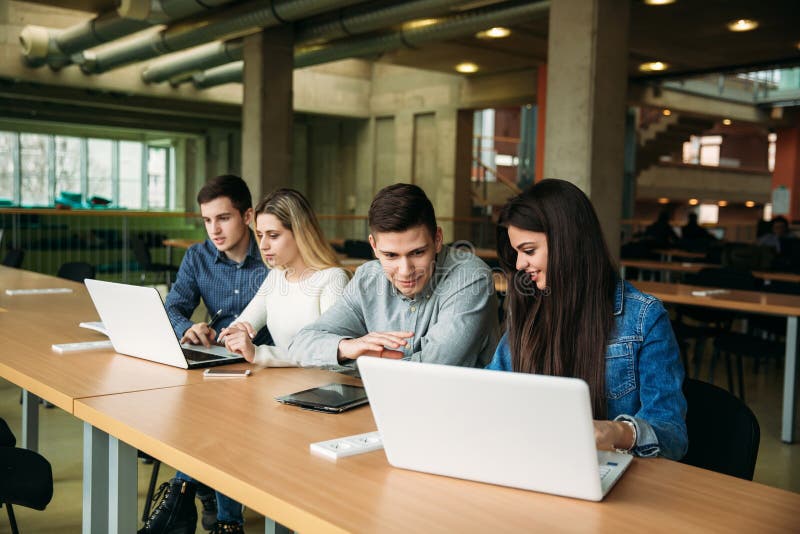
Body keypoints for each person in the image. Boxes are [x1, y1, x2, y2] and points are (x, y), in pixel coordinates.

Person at [487, 179, 687, 461]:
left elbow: (672, 437)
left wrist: (616, 432)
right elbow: (489, 391)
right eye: (516, 253)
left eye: (529, 251)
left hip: (614, 477)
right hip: (535, 464)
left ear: (569, 243)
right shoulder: (529, 309)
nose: (519, 265)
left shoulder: (644, 318)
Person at [141, 174, 269, 534]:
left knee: (219, 414)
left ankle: (188, 497)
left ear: (247, 216)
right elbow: (173, 307)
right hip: (215, 364)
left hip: (263, 364)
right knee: (196, 405)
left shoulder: (271, 257)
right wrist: (188, 328)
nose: (214, 229)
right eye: (207, 220)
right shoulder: (198, 256)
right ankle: (221, 516)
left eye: (223, 218)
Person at [289, 183, 499, 368]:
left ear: (437, 239)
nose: (405, 270)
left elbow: (434, 368)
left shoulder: (471, 277)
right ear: (374, 246)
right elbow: (301, 344)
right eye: (390, 255)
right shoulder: (367, 278)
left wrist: (360, 360)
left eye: (417, 253)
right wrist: (348, 347)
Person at [217, 188, 350, 366]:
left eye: (273, 235)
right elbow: (240, 325)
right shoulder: (276, 277)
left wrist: (259, 353)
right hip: (284, 381)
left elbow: (328, 351)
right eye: (259, 235)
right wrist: (234, 334)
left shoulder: (332, 279)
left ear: (301, 233)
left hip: (322, 386)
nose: (263, 245)